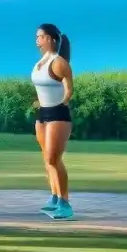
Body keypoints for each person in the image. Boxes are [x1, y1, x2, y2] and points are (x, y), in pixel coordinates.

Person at [31, 24, 75, 220]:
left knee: (53, 159)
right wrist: (39, 102)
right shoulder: (40, 62)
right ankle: (55, 198)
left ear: (50, 39)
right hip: (42, 114)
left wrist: (62, 102)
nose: (37, 40)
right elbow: (44, 88)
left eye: (40, 36)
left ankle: (65, 203)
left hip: (57, 115)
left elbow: (68, 90)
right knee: (46, 160)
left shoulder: (59, 63)